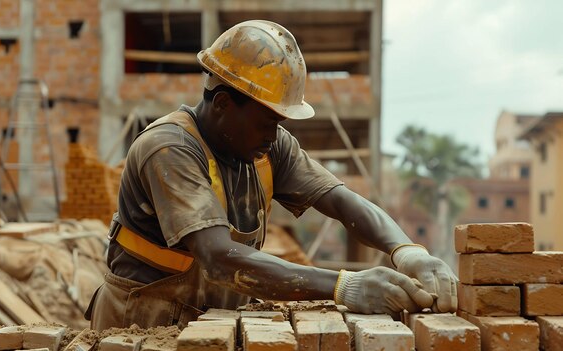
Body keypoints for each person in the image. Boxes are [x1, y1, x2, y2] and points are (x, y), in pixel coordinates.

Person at [86, 20, 457, 330]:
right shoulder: (170, 149)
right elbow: (218, 256)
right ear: (223, 104)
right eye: (267, 121)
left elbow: (341, 200)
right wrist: (345, 285)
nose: (274, 133)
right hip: (141, 326)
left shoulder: (268, 145)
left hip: (211, 324)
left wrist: (406, 250)